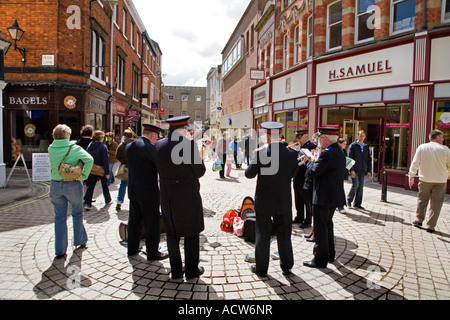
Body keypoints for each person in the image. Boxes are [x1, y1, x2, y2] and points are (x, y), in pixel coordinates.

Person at [155, 116, 206, 279]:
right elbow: (200, 171)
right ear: (183, 129)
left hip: (168, 193)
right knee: (191, 233)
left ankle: (176, 271)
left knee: (172, 233)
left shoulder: (158, 144)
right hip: (187, 193)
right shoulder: (188, 145)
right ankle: (191, 270)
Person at [245, 122, 299, 277]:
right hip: (283, 199)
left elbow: (249, 174)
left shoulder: (262, 152)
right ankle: (287, 265)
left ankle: (261, 269)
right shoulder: (291, 153)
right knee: (284, 233)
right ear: (280, 135)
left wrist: (254, 158)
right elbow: (294, 174)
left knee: (262, 232)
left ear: (268, 136)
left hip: (264, 199)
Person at [48, 124, 93, 258]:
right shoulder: (74, 148)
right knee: (77, 213)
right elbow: (89, 159)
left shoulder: (51, 148)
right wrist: (83, 175)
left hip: (55, 184)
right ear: (67, 135)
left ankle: (60, 250)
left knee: (59, 218)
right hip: (72, 183)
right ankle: (80, 241)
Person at [303, 127, 346, 269]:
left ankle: (320, 259)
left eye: (320, 139)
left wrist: (309, 161)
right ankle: (330, 253)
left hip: (323, 196)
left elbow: (313, 172)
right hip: (333, 196)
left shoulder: (327, 153)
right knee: (328, 225)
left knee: (321, 228)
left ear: (325, 139)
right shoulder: (339, 151)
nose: (319, 142)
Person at [126, 124, 168, 260]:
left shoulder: (130, 147)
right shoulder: (151, 149)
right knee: (151, 223)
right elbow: (160, 167)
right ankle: (152, 252)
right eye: (156, 137)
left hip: (133, 190)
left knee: (134, 220)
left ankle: (132, 248)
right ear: (152, 136)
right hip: (148, 192)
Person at [408, 129, 450, 233]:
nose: (443, 139)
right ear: (437, 138)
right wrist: (448, 174)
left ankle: (419, 220)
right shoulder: (445, 149)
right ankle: (431, 226)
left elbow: (415, 162)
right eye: (442, 137)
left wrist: (411, 175)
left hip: (425, 179)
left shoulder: (422, 147)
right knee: (436, 203)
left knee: (422, 199)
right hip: (440, 180)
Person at [292, 129, 316, 227]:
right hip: (297, 177)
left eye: (299, 137)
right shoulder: (299, 147)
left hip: (306, 178)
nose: (297, 139)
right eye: (297, 137)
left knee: (307, 200)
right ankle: (299, 216)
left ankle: (308, 220)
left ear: (306, 137)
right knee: (298, 199)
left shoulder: (312, 147)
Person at [84, 130, 111, 210]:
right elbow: (105, 160)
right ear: (100, 137)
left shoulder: (90, 145)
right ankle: (108, 200)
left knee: (90, 186)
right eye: (103, 137)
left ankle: (87, 203)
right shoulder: (103, 147)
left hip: (92, 168)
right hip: (101, 169)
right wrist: (107, 172)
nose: (104, 139)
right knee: (104, 185)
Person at [346, 130, 372, 209]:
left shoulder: (366, 147)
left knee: (360, 187)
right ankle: (348, 201)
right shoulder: (353, 146)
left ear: (365, 136)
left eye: (363, 136)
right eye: (360, 135)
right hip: (355, 170)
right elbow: (349, 159)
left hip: (362, 170)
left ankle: (357, 203)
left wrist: (369, 170)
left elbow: (368, 159)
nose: (362, 137)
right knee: (355, 185)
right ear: (358, 136)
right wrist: (351, 170)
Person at [115, 130, 135, 211]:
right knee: (133, 185)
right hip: (134, 167)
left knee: (123, 184)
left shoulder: (121, 145)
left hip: (125, 167)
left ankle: (119, 201)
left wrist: (123, 161)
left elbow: (117, 156)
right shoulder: (135, 144)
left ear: (125, 136)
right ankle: (132, 202)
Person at [337, 138, 348, 214]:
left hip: (341, 174)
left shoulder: (344, 151)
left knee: (340, 190)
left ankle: (341, 205)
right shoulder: (336, 151)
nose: (345, 145)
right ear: (339, 144)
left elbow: (346, 165)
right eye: (344, 144)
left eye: (346, 144)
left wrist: (346, 176)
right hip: (336, 174)